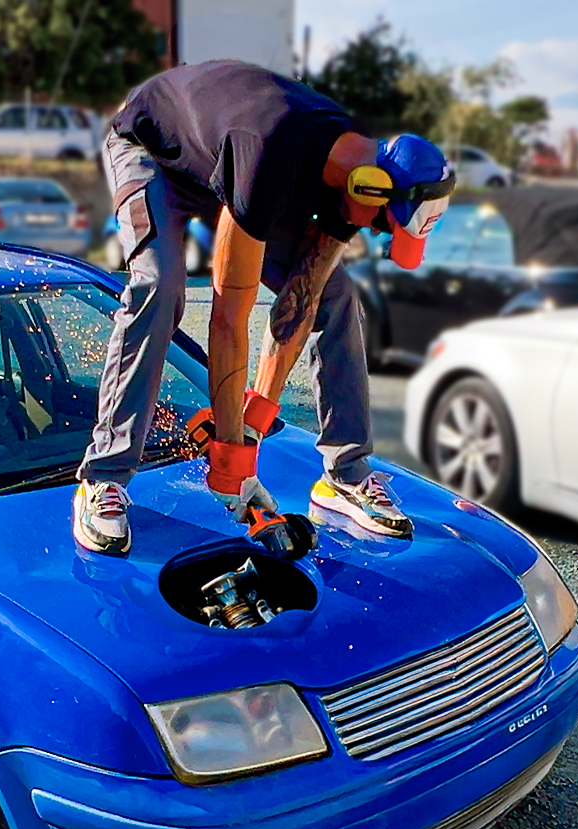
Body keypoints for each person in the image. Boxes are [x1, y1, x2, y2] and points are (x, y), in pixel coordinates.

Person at [73, 59, 453, 555]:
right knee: (160, 285)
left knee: (337, 296)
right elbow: (230, 316)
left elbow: (304, 295)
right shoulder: (268, 154)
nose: (374, 233)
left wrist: (256, 415)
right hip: (152, 149)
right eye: (383, 225)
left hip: (228, 164)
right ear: (370, 187)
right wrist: (231, 461)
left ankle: (347, 475)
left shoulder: (352, 173)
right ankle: (103, 476)